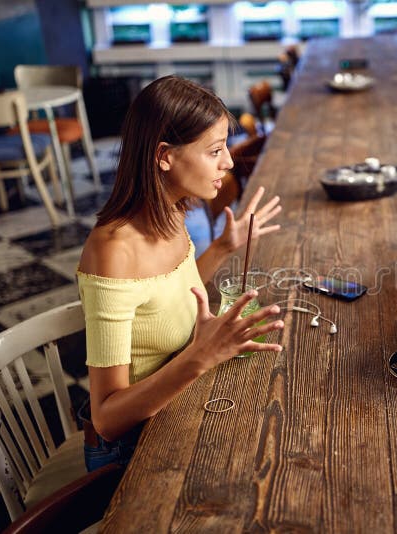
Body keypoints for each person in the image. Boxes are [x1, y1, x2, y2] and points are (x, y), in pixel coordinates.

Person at [76, 75, 285, 471]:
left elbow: (171, 288)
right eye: (215, 151)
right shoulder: (112, 252)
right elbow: (107, 419)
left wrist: (224, 246)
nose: (228, 161)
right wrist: (200, 357)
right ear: (164, 156)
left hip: (176, 403)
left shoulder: (171, 208)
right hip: (127, 451)